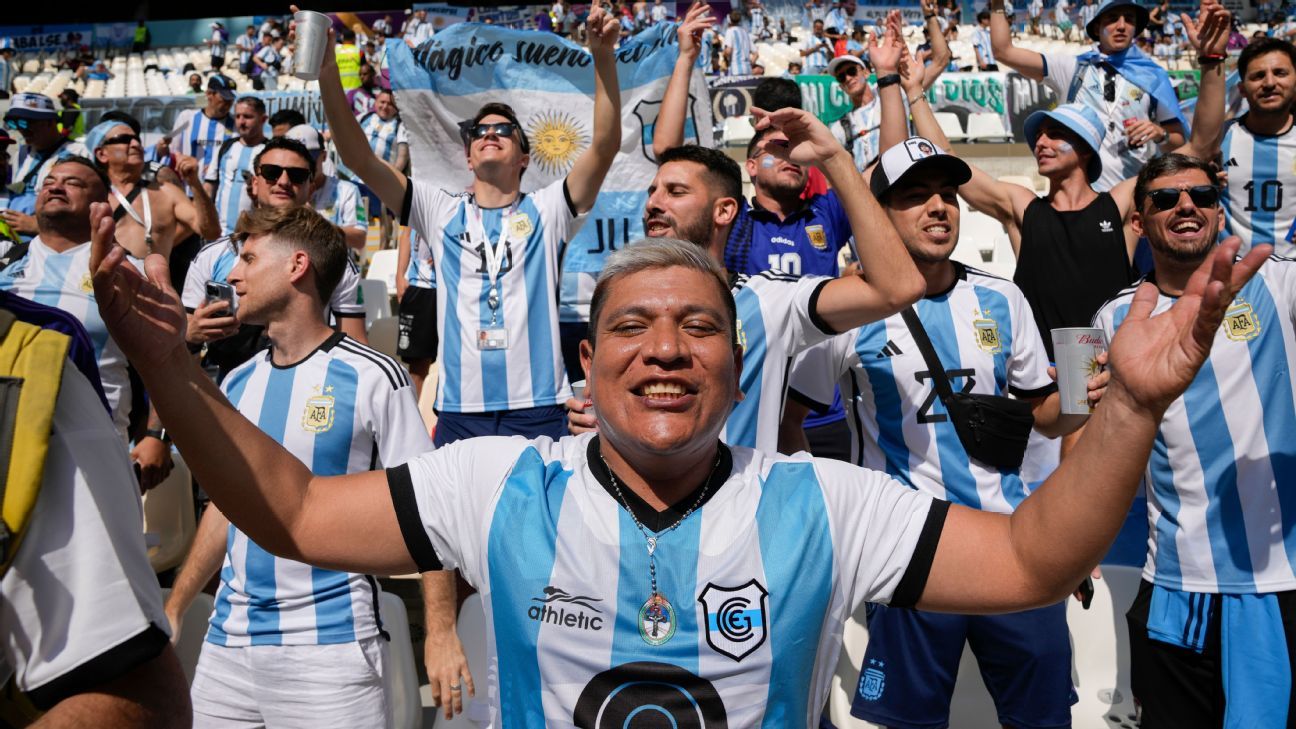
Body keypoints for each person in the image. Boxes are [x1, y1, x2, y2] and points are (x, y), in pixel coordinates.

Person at [90, 166, 1268, 726]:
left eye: (699, 327)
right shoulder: (500, 479)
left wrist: (1130, 406)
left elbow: (1033, 563)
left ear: (738, 364)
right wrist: (174, 373)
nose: (665, 350)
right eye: (631, 329)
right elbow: (292, 510)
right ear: (586, 373)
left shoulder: (821, 499)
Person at [778, 134, 1084, 729]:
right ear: (880, 213)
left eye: (947, 194)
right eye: (915, 196)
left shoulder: (1002, 296)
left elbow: (1042, 416)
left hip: (1012, 546)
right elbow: (793, 423)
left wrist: (1086, 399)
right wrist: (833, 520)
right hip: (907, 550)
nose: (938, 207)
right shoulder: (848, 308)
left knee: (1042, 719)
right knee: (908, 722)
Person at [164, 205, 430, 728]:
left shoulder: (374, 376)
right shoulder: (237, 382)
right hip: (228, 644)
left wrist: (440, 632)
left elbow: (426, 507)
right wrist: (176, 606)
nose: (232, 275)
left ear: (297, 266)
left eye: (247, 258)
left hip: (328, 649)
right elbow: (228, 507)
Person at [1091, 153, 1290, 729]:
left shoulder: (1278, 282)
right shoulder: (1111, 320)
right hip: (1177, 583)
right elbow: (1076, 433)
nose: (1187, 206)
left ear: (1218, 207)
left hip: (1283, 583)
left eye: (1202, 196)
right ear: (1138, 223)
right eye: (1166, 199)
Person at [0, 295, 190, 727]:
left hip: (100, 475)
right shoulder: (21, 269)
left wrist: (158, 427)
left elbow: (141, 691)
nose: (236, 275)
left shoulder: (38, 352)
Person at [182, 137, 368, 382]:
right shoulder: (214, 255)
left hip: (307, 388)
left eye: (297, 175)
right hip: (225, 389)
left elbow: (355, 344)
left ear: (311, 187)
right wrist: (192, 335)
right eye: (271, 172)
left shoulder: (337, 260)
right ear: (255, 183)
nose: (283, 181)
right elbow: (182, 340)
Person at [0, 157, 141, 441]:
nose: (56, 188)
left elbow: (157, 363)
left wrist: (155, 434)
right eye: (49, 183)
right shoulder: (5, 261)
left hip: (93, 442)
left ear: (101, 203)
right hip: (8, 436)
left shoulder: (129, 272)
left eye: (72, 183)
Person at [990, 0, 1188, 191]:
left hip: (1133, 195)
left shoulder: (1154, 75)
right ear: (1096, 28)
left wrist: (1160, 134)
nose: (1121, 26)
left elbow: (1178, 143)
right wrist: (998, 5)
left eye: (1129, 19)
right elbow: (1004, 52)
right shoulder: (1071, 68)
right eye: (1112, 19)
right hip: (1082, 198)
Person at [88, 120, 220, 261]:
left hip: (153, 282)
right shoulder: (92, 196)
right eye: (124, 139)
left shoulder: (166, 192)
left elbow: (211, 232)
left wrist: (194, 183)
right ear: (101, 154)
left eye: (137, 139)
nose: (135, 144)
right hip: (103, 281)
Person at [1219, 37, 1296, 256]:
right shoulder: (1220, 138)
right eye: (1258, 76)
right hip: (1234, 275)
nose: (1270, 83)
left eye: (1280, 73)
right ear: (1242, 89)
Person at [1, 93, 88, 239]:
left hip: (55, 238)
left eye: (27, 122)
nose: (22, 130)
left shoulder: (79, 152)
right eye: (15, 123)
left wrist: (37, 225)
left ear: (50, 122)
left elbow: (85, 205)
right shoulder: (22, 153)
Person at [286, 124, 369, 250]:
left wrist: (317, 223)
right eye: (295, 160)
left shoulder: (347, 190)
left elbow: (359, 238)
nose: (303, 166)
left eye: (309, 160)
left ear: (323, 156)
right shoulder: (281, 190)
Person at [204, 96, 268, 237]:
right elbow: (209, 187)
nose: (241, 122)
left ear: (263, 119)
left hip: (253, 235)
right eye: (238, 116)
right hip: (219, 235)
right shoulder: (226, 147)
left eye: (247, 116)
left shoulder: (269, 151)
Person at [356, 89, 409, 248]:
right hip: (355, 178)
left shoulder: (400, 126)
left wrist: (389, 177)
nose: (385, 107)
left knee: (384, 211)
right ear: (375, 103)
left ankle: (381, 251)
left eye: (390, 104)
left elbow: (402, 157)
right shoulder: (364, 117)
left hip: (380, 180)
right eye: (382, 102)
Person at [396, 226, 437, 398]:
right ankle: (414, 419)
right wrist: (399, 275)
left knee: (457, 362)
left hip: (451, 286)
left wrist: (449, 250)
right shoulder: (412, 199)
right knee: (418, 368)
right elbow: (406, 233)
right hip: (419, 287)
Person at [170, 74, 236, 175]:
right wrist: (182, 160)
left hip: (219, 189)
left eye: (231, 99)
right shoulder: (186, 117)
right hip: (189, 188)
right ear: (209, 94)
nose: (228, 103)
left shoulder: (236, 125)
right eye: (224, 98)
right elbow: (174, 150)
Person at [724, 9, 755, 75]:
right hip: (748, 69)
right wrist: (750, 63)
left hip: (736, 69)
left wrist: (724, 54)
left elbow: (728, 51)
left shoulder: (730, 31)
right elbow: (756, 54)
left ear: (729, 20)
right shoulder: (745, 32)